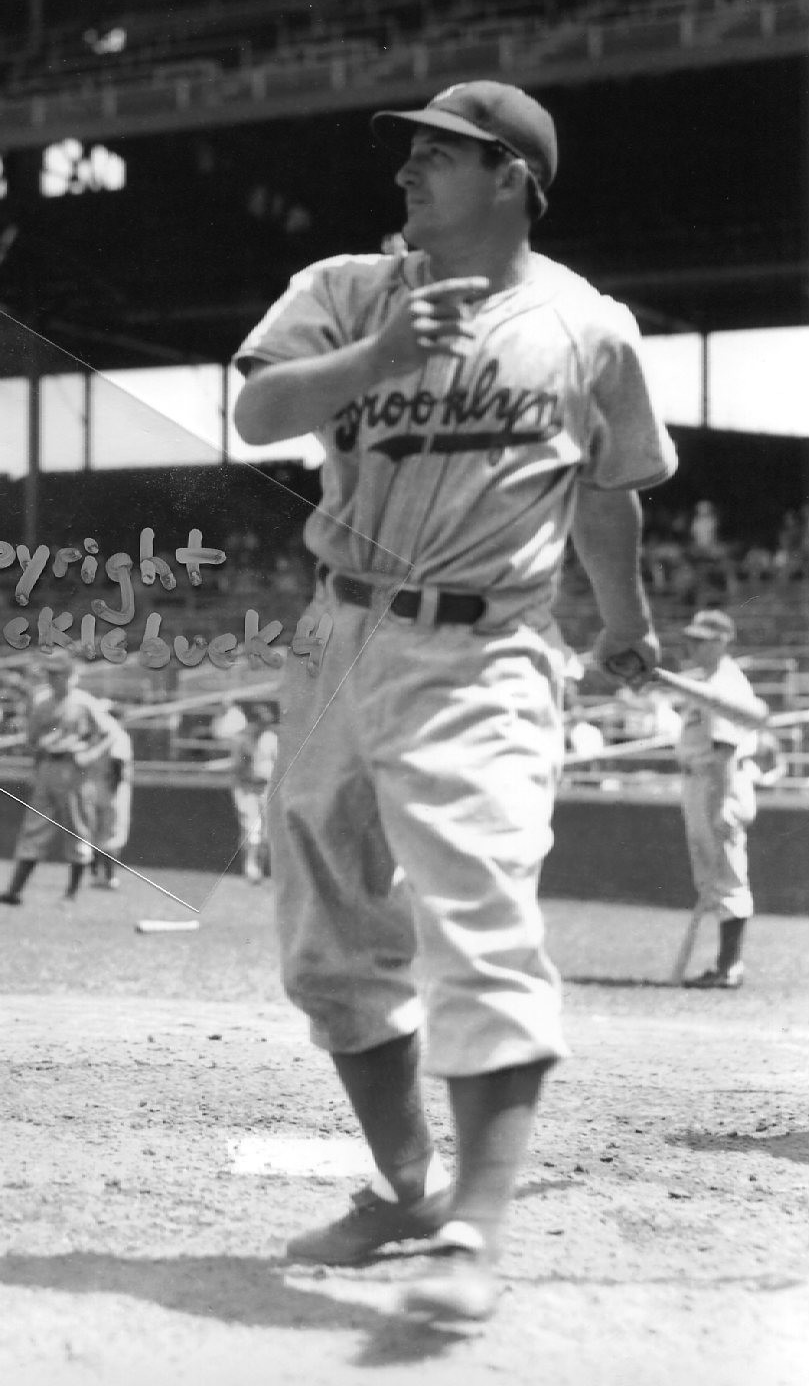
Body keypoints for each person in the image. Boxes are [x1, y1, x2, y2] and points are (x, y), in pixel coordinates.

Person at [232, 80, 676, 1324]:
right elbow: (256, 411)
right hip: (337, 632)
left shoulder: (585, 326)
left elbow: (605, 492)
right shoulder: (344, 288)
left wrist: (625, 624)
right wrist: (376, 357)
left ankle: (474, 1230)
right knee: (326, 934)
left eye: (440, 154)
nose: (406, 172)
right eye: (410, 154)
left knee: (476, 911)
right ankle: (406, 1192)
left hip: (481, 649)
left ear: (511, 179)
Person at [675, 610, 767, 990]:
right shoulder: (707, 681)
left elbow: (725, 749)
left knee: (728, 875)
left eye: (701, 640)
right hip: (704, 782)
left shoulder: (726, 684)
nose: (692, 646)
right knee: (712, 877)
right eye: (691, 638)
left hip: (720, 784)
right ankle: (724, 964)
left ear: (722, 641)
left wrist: (724, 803)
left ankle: (729, 967)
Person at [0, 655, 119, 906]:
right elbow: (32, 739)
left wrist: (90, 754)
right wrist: (37, 767)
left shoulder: (84, 702)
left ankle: (71, 894)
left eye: (59, 674)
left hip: (74, 770)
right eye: (51, 674)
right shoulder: (42, 702)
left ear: (71, 676)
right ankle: (14, 892)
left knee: (77, 829)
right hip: (48, 767)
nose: (53, 679)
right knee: (34, 829)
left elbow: (110, 733)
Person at [230, 702, 278, 883]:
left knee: (266, 834)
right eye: (260, 722)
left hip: (267, 789)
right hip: (248, 789)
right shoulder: (243, 740)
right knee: (253, 830)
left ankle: (261, 868)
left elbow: (279, 765)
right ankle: (251, 868)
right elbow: (237, 769)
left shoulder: (271, 738)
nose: (263, 726)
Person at [88, 702, 134, 890]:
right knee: (111, 835)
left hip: (95, 787)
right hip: (112, 789)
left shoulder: (98, 736)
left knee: (96, 834)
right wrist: (113, 790)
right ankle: (108, 877)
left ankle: (97, 875)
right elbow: (118, 762)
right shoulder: (118, 735)